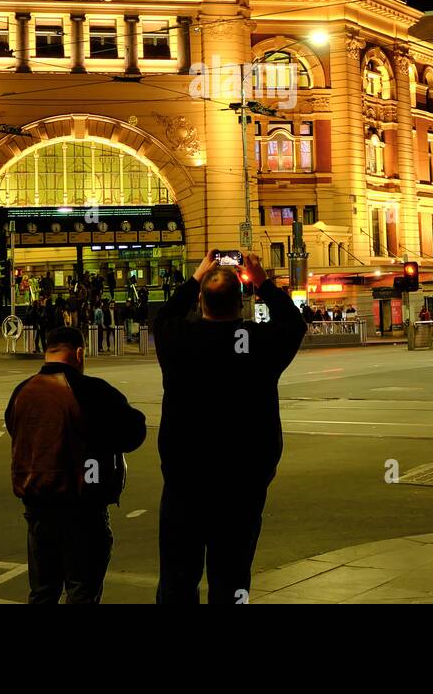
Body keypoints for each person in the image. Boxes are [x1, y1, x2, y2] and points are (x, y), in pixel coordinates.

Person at [153, 250, 307, 604]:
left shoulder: (178, 339)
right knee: (231, 577)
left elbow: (163, 317)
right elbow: (294, 323)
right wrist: (262, 281)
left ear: (200, 301)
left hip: (185, 481)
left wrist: (195, 278)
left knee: (177, 578)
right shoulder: (257, 343)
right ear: (241, 304)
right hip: (242, 483)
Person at [4, 326, 146, 604]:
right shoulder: (92, 390)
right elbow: (133, 433)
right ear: (79, 353)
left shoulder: (22, 392)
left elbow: (15, 430)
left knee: (43, 591)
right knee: (82, 590)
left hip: (37, 507)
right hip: (82, 508)